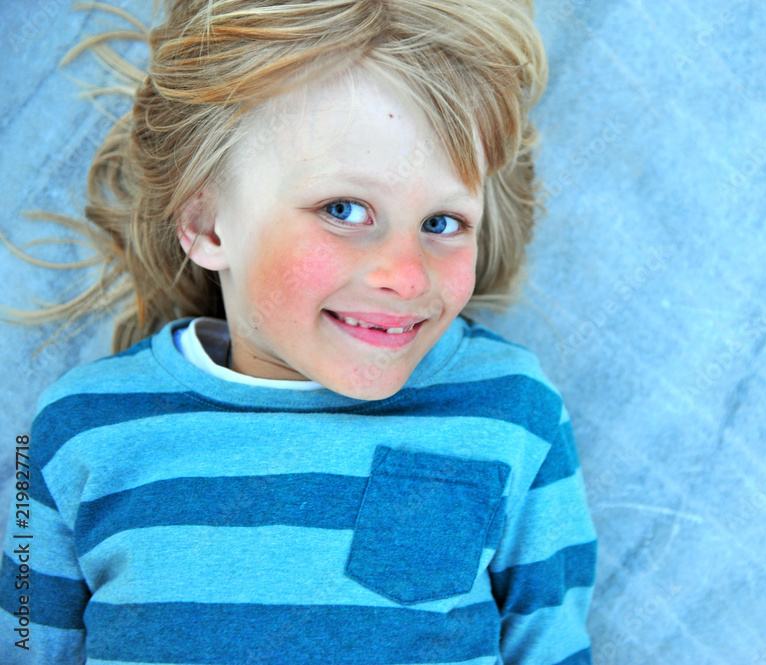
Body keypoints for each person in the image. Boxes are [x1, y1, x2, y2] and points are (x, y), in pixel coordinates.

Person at [0, 1, 598, 663]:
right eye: (344, 210)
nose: (405, 275)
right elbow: (23, 637)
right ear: (208, 224)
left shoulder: (513, 412)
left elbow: (551, 646)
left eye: (442, 222)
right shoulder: (74, 432)